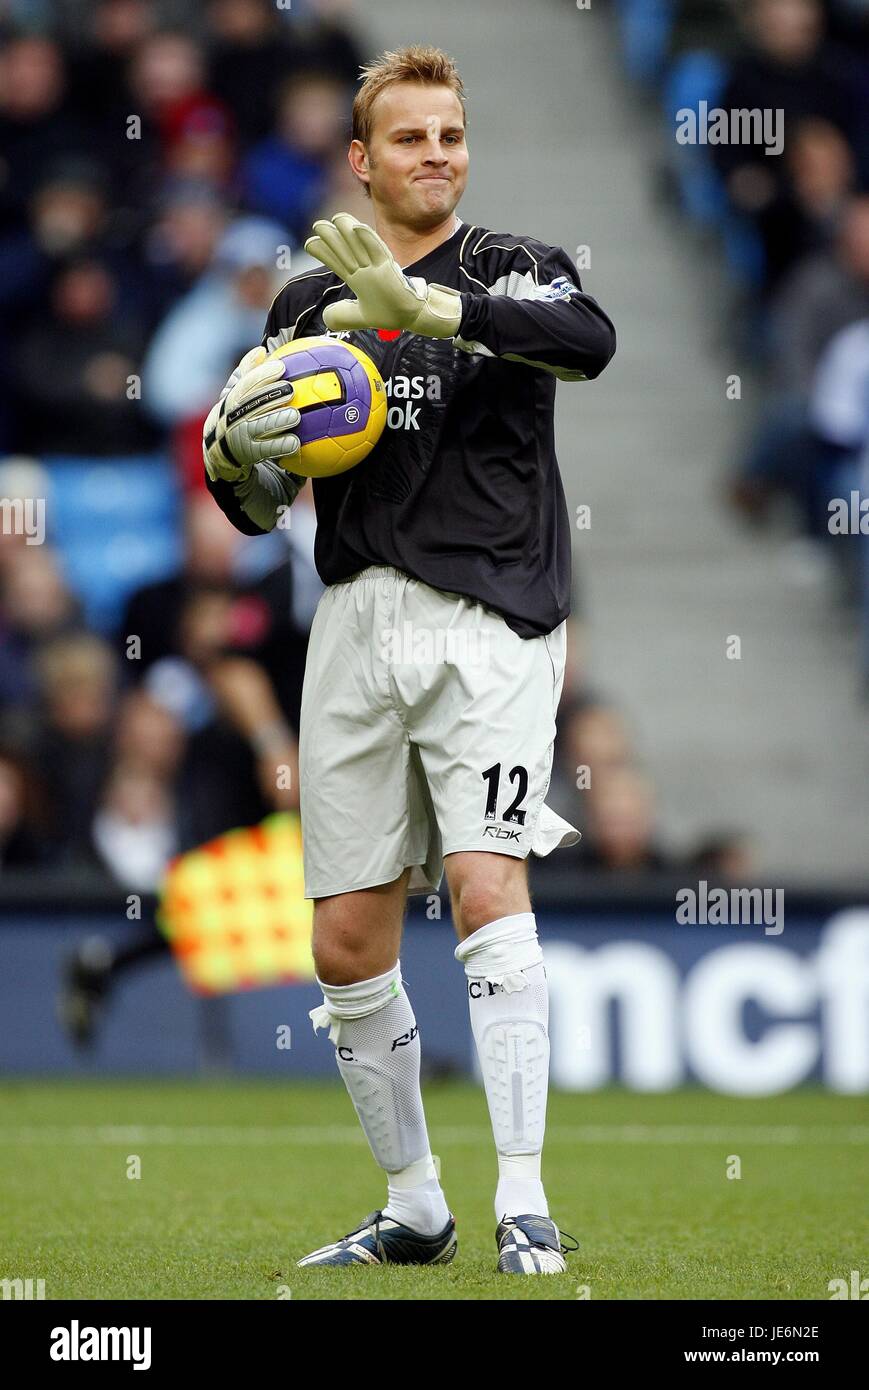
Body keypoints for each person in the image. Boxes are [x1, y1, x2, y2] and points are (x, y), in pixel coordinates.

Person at [202, 45, 616, 1275]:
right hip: (352, 625)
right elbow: (253, 497)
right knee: (343, 941)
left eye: (450, 135)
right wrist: (238, 463)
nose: (435, 155)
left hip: (484, 620)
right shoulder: (299, 305)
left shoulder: (514, 265)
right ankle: (416, 1207)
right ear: (360, 159)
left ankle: (525, 1199)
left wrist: (430, 309)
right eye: (410, 138)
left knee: (488, 889)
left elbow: (587, 342)